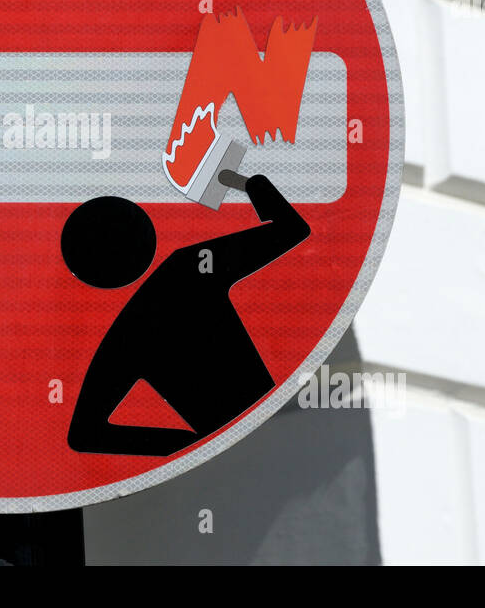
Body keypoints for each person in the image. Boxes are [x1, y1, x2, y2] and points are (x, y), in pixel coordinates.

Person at [63, 175, 310, 455]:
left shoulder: (122, 337)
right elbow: (292, 228)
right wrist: (253, 184)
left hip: (232, 452)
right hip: (281, 420)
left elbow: (83, 436)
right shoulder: (191, 265)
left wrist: (185, 447)